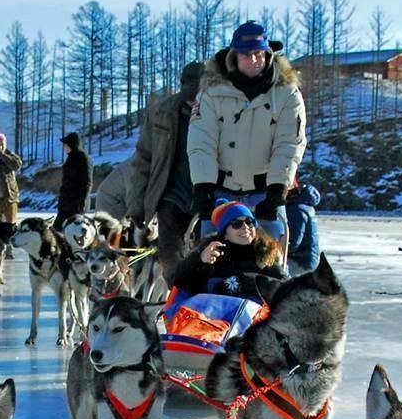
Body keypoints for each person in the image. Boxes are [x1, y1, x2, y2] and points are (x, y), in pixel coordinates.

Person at [187, 21, 306, 246]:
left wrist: (278, 190)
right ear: (234, 55)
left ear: (268, 53)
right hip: (221, 192)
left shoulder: (287, 94)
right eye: (246, 55)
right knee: (209, 261)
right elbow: (201, 142)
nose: (253, 60)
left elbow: (289, 144)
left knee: (271, 261)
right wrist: (203, 188)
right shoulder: (211, 93)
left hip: (264, 192)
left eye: (258, 54)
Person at [126, 61, 205, 285]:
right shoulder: (161, 113)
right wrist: (137, 206)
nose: (192, 102)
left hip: (206, 197)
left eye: (197, 97)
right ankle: (177, 305)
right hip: (169, 195)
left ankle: (202, 311)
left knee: (205, 259)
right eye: (189, 97)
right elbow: (143, 160)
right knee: (170, 258)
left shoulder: (218, 110)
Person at [173, 199, 284, 299]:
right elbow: (179, 281)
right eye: (237, 224)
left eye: (249, 222)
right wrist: (200, 259)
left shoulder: (265, 252)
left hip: (256, 316)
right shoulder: (212, 253)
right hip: (214, 316)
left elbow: (283, 285)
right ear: (225, 233)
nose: (245, 227)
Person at [54, 132, 93, 231]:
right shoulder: (70, 158)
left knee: (71, 232)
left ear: (71, 144)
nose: (64, 147)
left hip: (76, 205)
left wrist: (82, 203)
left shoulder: (83, 158)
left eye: (66, 144)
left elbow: (87, 183)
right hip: (66, 204)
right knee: (57, 231)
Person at [285, 179, 321, 275]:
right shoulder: (305, 206)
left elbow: (292, 243)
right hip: (309, 258)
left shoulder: (296, 210)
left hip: (300, 261)